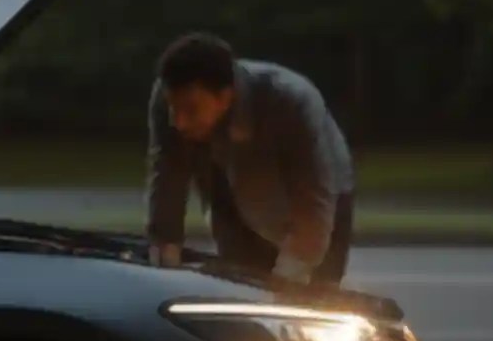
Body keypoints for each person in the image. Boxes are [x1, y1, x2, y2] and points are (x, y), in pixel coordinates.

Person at [144, 32, 356, 286]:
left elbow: (314, 204)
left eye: (191, 110)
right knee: (240, 289)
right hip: (232, 199)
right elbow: (167, 180)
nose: (179, 122)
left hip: (322, 198)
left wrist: (287, 280)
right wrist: (165, 260)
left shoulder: (290, 102)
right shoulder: (168, 96)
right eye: (173, 108)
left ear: (225, 97)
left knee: (316, 298)